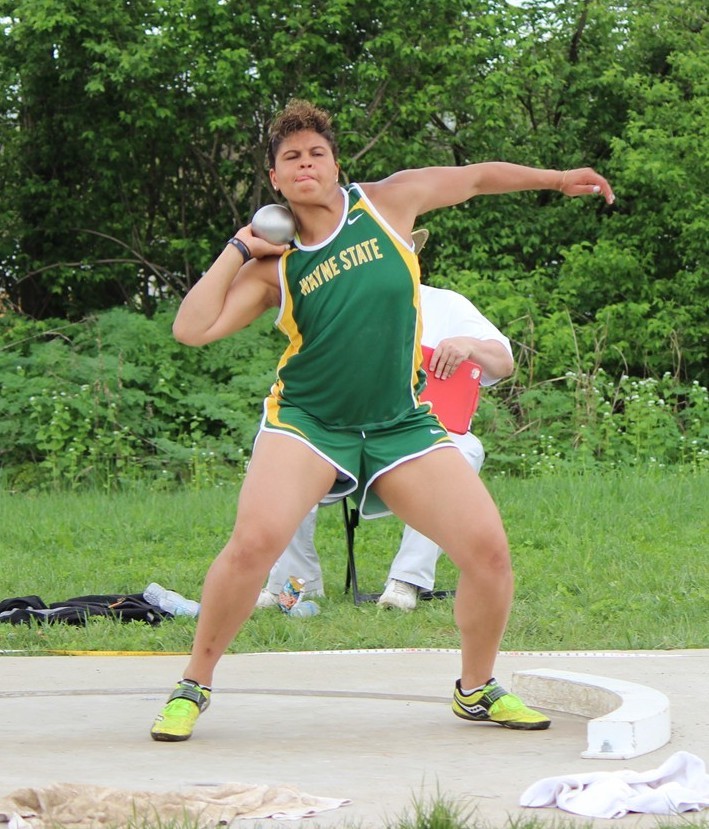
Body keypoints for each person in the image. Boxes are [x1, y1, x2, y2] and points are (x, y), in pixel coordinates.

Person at [151, 98, 614, 742]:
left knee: (488, 554)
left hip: (399, 423)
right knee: (254, 545)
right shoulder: (272, 267)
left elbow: (477, 176)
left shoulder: (390, 203)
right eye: (292, 158)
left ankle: (475, 690)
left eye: (317, 153)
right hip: (309, 423)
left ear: (336, 165)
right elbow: (190, 328)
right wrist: (237, 248)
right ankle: (193, 684)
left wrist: (558, 179)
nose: (306, 163)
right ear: (276, 180)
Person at [255, 281, 514, 611]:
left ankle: (407, 580)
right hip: (344, 434)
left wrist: (468, 345)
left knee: (465, 449)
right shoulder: (337, 299)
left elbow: (504, 363)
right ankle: (295, 586)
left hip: (416, 439)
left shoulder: (445, 304)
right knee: (289, 450)